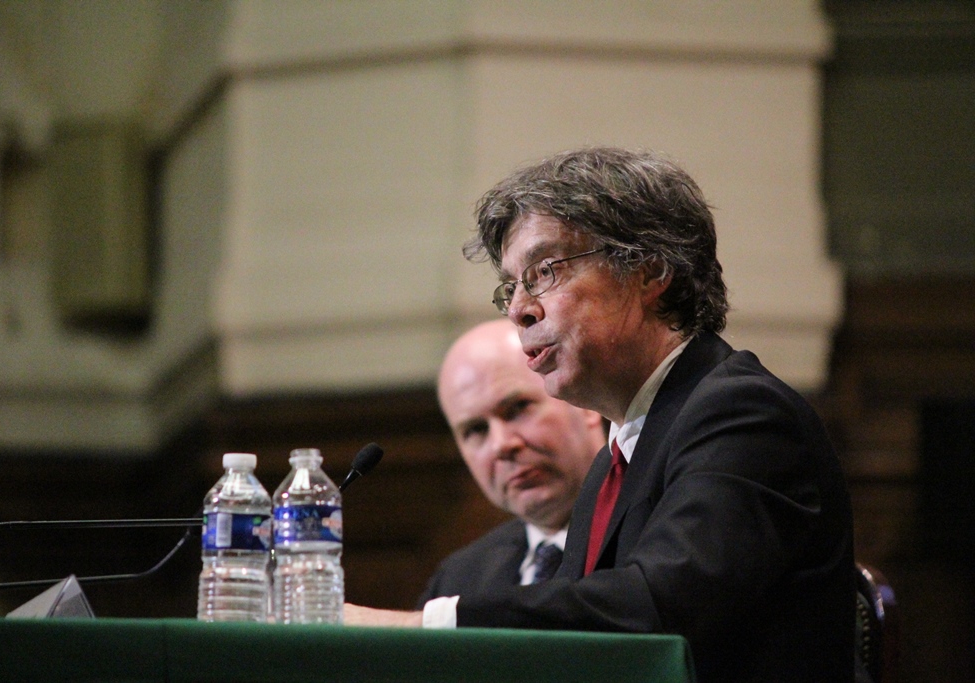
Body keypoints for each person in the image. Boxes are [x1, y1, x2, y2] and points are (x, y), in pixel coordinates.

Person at [346, 147, 855, 683]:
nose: (519, 309)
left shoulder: (742, 413)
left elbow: (658, 606)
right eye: (512, 287)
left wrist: (423, 626)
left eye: (544, 271)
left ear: (650, 270)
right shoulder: (617, 457)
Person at [417, 319, 605, 604]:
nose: (501, 444)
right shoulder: (458, 580)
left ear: (586, 402)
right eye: (476, 430)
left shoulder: (654, 534)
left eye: (518, 409)